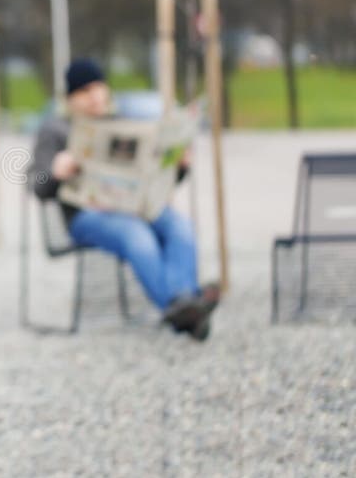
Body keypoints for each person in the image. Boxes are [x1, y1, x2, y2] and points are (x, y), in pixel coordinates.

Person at [28, 58, 219, 340]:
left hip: (136, 207)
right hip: (87, 216)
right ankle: (182, 305)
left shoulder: (125, 124)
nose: (94, 96)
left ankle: (184, 305)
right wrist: (55, 172)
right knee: (137, 234)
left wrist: (178, 167)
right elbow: (36, 184)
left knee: (180, 226)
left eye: (98, 87)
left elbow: (153, 179)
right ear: (70, 99)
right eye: (84, 91)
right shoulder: (54, 130)